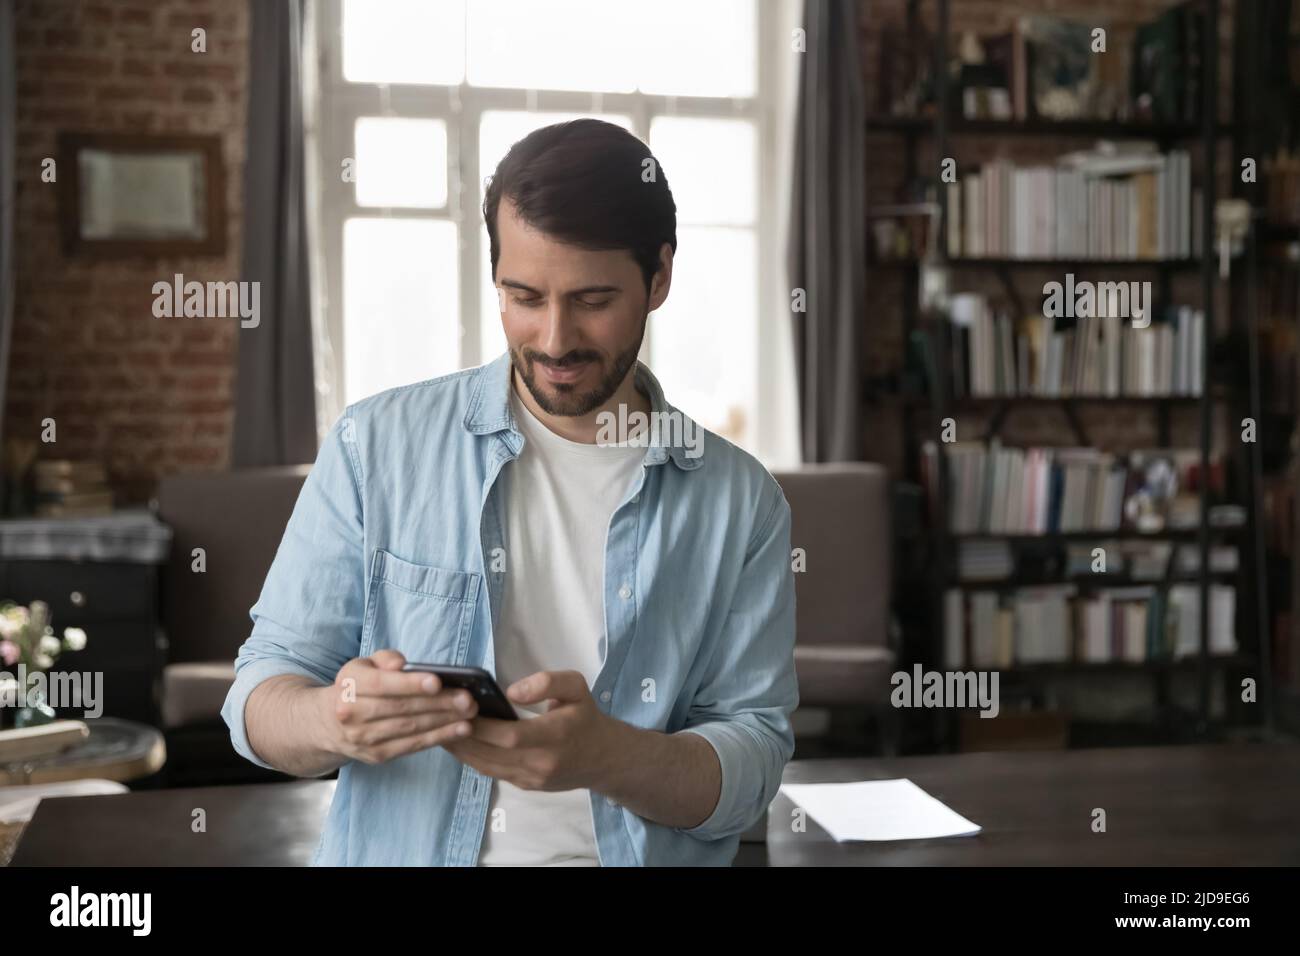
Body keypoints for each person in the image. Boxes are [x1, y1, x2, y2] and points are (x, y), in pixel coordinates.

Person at [221, 119, 798, 866]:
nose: (555, 339)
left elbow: (752, 761)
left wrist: (608, 757)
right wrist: (333, 720)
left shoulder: (740, 503)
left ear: (659, 278)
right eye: (523, 296)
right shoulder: (377, 445)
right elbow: (259, 695)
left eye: (593, 300)